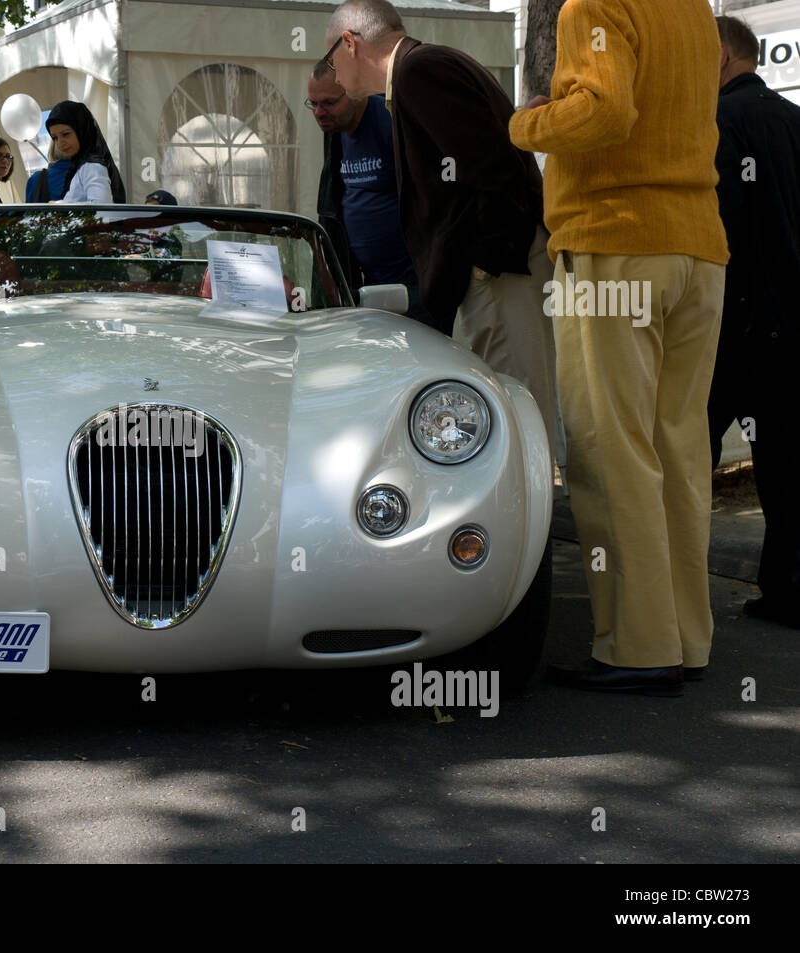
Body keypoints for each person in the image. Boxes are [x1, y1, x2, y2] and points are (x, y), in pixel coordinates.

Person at [508, 0, 728, 693]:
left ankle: (636, 644)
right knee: (680, 450)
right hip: (698, 247)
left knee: (611, 449)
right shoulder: (694, 11)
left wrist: (524, 123)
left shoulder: (592, 5)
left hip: (614, 242)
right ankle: (687, 636)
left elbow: (603, 111)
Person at [324, 0, 556, 450]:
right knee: (501, 408)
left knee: (510, 412)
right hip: (498, 267)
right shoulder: (422, 68)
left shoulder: (419, 71)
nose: (332, 72)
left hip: (501, 268)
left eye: (330, 58)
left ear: (350, 44)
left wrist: (484, 263)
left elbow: (494, 169)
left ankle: (526, 519)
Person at [706, 16, 800, 628]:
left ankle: (674, 598)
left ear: (718, 56)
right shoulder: (793, 119)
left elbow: (722, 228)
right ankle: (789, 591)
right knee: (787, 466)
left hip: (736, 322)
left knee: (690, 455)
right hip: (789, 321)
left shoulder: (722, 121)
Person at [309, 62, 431, 326]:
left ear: (354, 91)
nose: (319, 112)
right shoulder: (335, 131)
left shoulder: (390, 121)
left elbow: (432, 193)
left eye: (328, 102)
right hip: (366, 283)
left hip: (415, 284)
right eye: (313, 104)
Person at [44, 101, 126, 203]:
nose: (60, 144)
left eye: (66, 134)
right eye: (55, 138)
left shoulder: (92, 165)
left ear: (82, 130)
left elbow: (101, 206)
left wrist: (58, 205)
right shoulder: (81, 165)